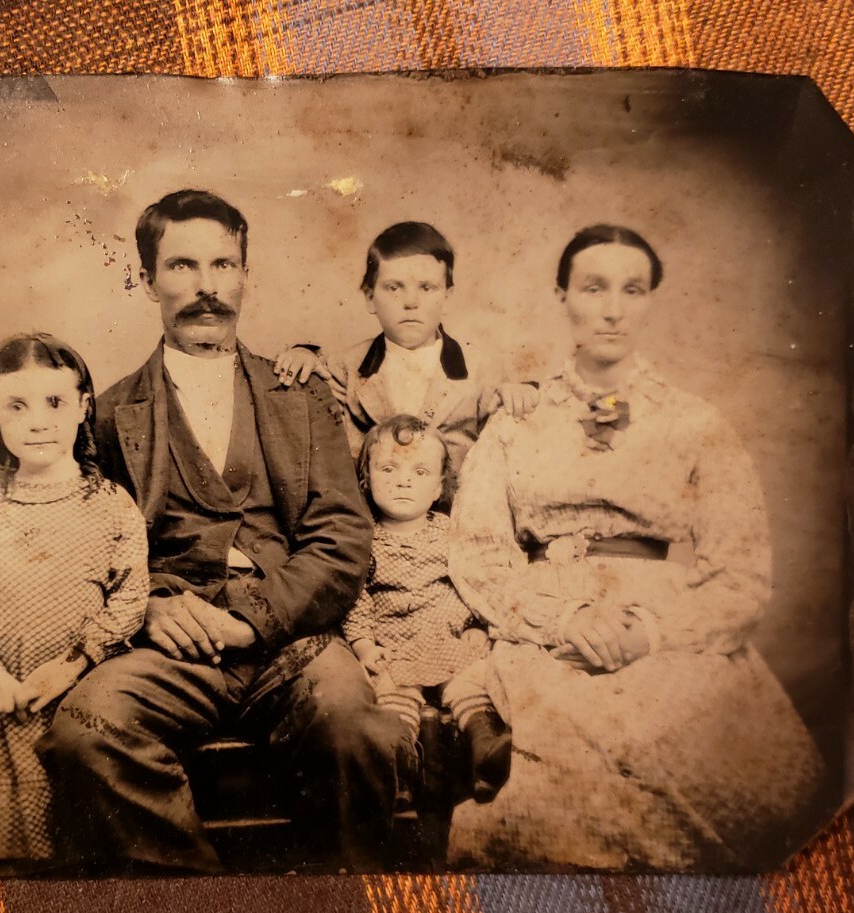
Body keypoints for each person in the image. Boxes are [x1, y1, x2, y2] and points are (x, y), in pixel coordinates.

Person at [38, 189, 408, 875]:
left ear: (245, 273)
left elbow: (341, 539)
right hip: (169, 642)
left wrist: (252, 622)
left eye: (223, 264)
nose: (206, 287)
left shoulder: (302, 396)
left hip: (293, 637)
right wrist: (146, 605)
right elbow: (90, 551)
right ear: (147, 280)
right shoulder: (112, 412)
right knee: (84, 731)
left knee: (355, 727)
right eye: (181, 266)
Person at [445, 225, 824, 870]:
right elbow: (477, 553)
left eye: (632, 289)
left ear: (650, 301)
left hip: (663, 626)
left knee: (709, 753)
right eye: (593, 288)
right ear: (562, 295)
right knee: (567, 754)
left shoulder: (693, 421)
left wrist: (649, 631)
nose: (613, 309)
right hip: (547, 622)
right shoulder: (518, 418)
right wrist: (563, 617)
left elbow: (741, 577)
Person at [0, 333, 149, 874]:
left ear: (83, 407)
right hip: (4, 708)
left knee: (86, 866)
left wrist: (77, 663)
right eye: (17, 406)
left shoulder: (111, 503)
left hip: (82, 700)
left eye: (54, 402)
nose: (38, 421)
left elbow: (130, 597)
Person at [273, 221, 537, 482]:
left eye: (426, 287)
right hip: (371, 516)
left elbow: (507, 440)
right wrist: (301, 353)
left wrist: (522, 392)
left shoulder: (480, 369)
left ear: (447, 295)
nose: (411, 302)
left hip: (455, 514)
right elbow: (315, 378)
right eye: (394, 287)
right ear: (369, 297)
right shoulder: (346, 365)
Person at [343, 414, 511, 803]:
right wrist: (364, 645)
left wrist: (475, 625)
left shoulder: (452, 531)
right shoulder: (362, 540)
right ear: (366, 479)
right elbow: (355, 600)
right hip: (394, 642)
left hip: (447, 635)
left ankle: (484, 743)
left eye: (420, 472)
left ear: (438, 487)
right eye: (389, 468)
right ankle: (399, 761)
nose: (404, 480)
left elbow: (473, 581)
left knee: (472, 678)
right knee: (391, 691)